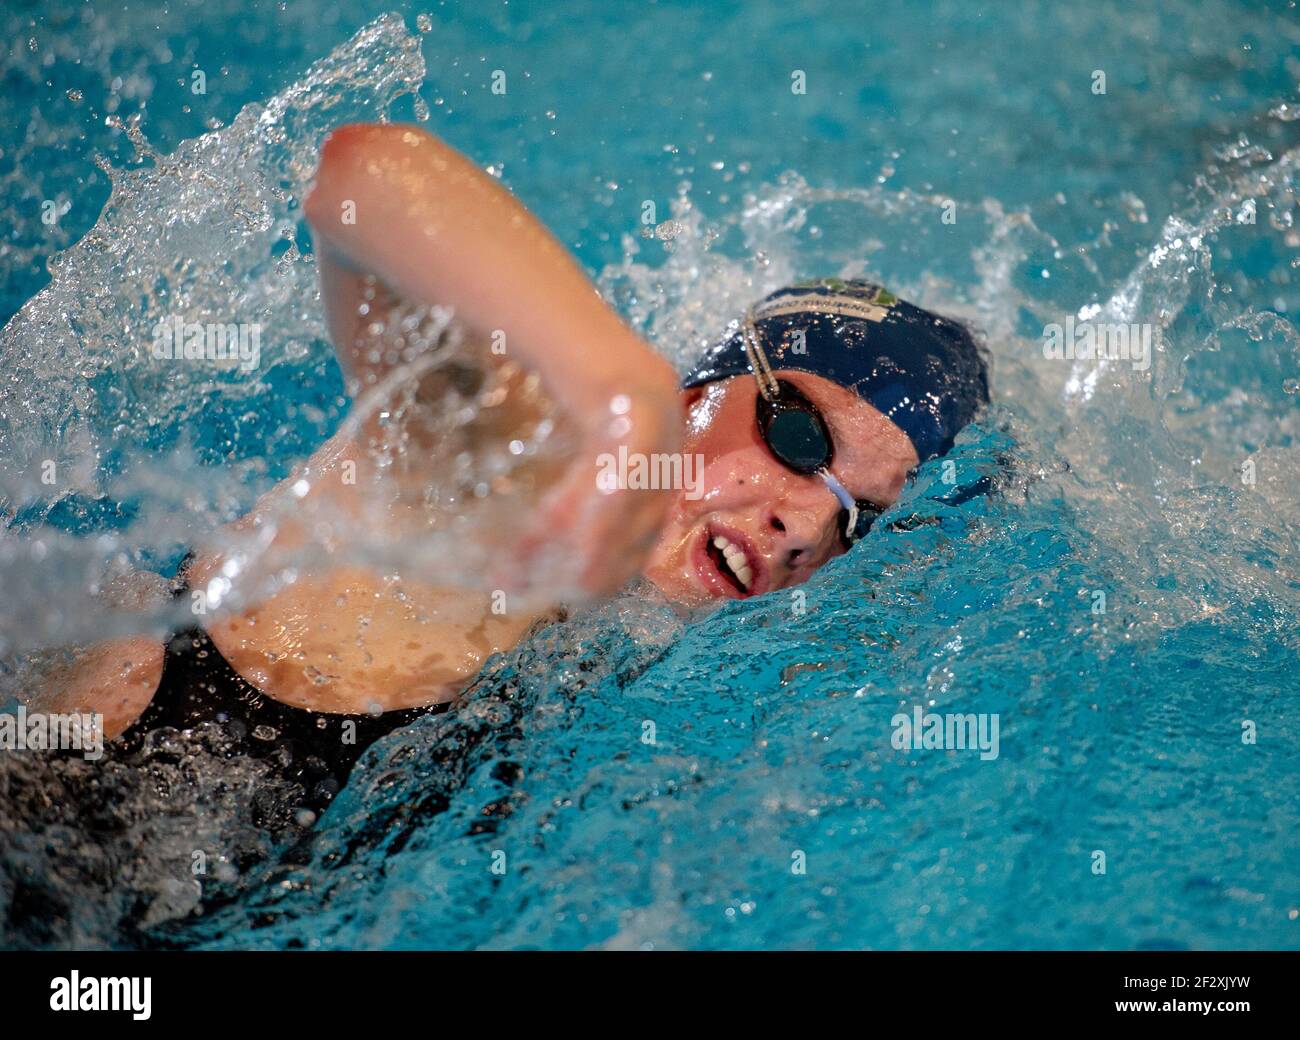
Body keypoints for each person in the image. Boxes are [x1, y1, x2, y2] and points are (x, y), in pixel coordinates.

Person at [31, 124, 988, 804]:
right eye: (799, 436)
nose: (804, 526)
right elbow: (361, 175)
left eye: (851, 517)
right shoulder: (513, 448)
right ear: (706, 384)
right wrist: (624, 397)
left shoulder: (630, 637)